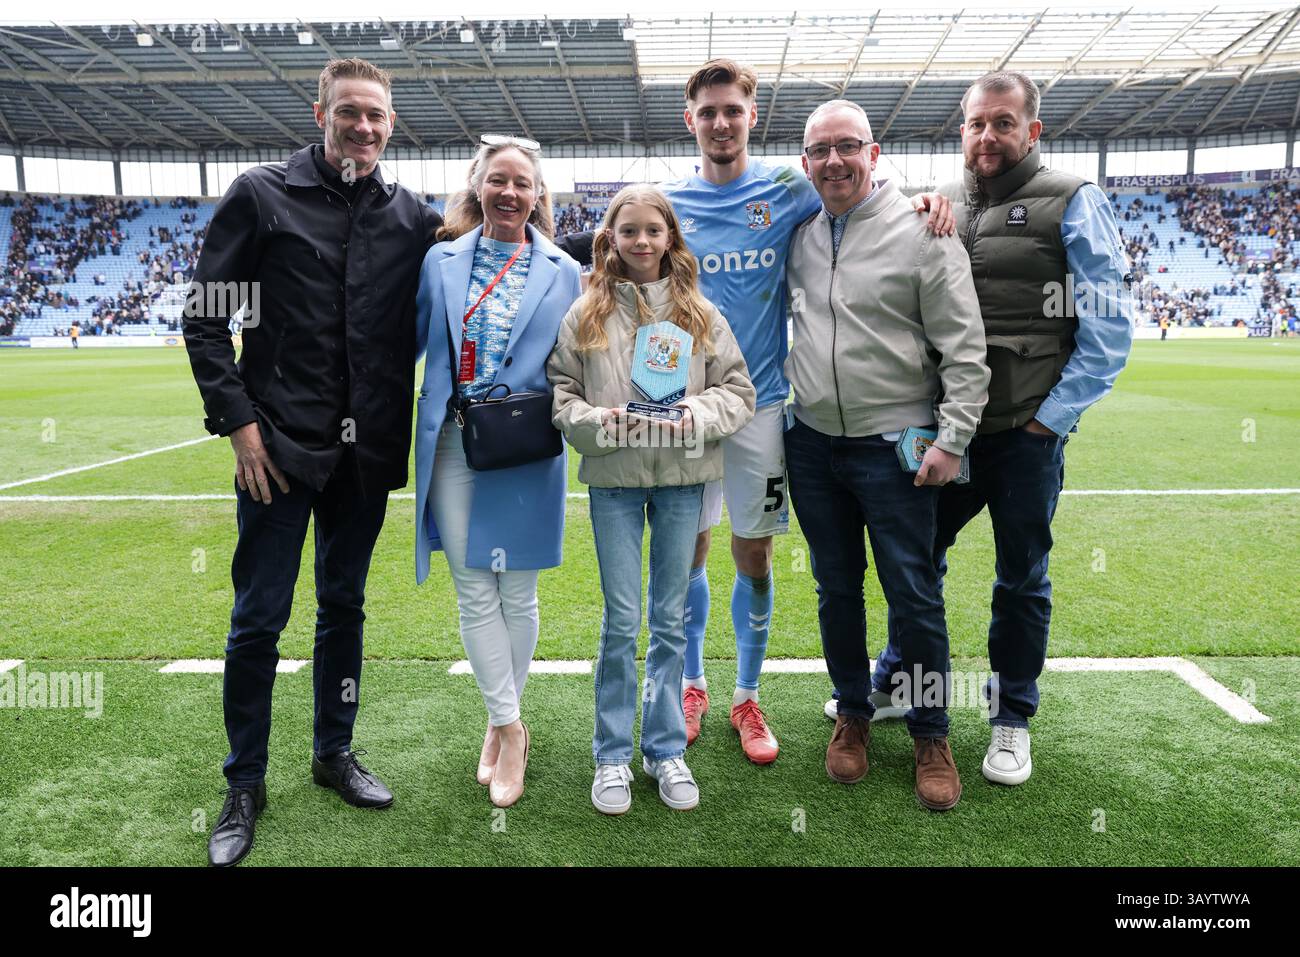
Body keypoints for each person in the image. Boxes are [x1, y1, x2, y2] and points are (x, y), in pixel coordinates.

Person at [559, 58, 954, 766]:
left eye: (732, 111)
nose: (720, 122)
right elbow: (620, 250)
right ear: (691, 120)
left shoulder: (787, 186)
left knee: (756, 553)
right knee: (690, 552)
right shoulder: (672, 201)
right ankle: (692, 685)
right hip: (677, 411)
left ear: (752, 115)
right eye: (706, 111)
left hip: (762, 405)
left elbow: (858, 183)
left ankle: (747, 694)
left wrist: (925, 196)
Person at [183, 58, 442, 867]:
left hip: (362, 457)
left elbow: (501, 235)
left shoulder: (413, 219)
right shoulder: (261, 196)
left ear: (391, 125)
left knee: (345, 606)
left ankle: (334, 753)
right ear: (321, 111)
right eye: (350, 112)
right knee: (259, 617)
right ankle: (244, 781)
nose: (363, 126)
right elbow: (205, 320)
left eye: (377, 116)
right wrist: (240, 428)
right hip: (278, 452)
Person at [862, 71, 1134, 787]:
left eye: (1003, 123)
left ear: (1031, 131)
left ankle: (1011, 715)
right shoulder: (940, 201)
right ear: (962, 129)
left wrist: (1050, 420)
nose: (987, 136)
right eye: (976, 123)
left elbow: (1108, 329)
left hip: (1024, 434)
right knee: (914, 564)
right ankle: (902, 682)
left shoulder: (1073, 200)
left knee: (1021, 578)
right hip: (946, 430)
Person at [785, 100, 989, 810]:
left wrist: (952, 438)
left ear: (875, 154)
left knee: (913, 592)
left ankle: (932, 732)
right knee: (835, 587)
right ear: (805, 161)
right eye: (820, 150)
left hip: (893, 446)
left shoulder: (923, 230)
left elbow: (966, 349)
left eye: (848, 146)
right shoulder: (801, 232)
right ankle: (852, 711)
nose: (834, 160)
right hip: (811, 442)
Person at [548, 184, 755, 814]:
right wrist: (604, 424)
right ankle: (611, 755)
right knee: (620, 621)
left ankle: (665, 750)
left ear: (671, 239)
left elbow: (738, 393)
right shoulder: (584, 314)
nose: (642, 242)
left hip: (683, 481)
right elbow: (561, 395)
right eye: (629, 231)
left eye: (653, 231)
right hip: (614, 480)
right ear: (608, 239)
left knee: (668, 620)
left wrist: (691, 414)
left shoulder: (699, 314)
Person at [413, 135, 582, 809]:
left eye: (522, 183)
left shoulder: (564, 269)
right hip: (456, 444)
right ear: (478, 186)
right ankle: (512, 728)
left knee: (520, 594)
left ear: (537, 195)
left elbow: (578, 356)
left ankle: (497, 718)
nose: (510, 192)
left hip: (527, 446)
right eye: (498, 181)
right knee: (474, 590)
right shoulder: (439, 262)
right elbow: (415, 343)